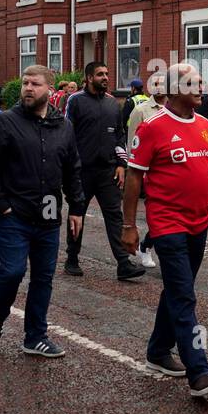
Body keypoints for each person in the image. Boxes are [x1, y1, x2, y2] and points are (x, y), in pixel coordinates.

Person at [122, 63, 208, 397]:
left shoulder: (206, 125)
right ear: (176, 88)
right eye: (194, 83)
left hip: (200, 221)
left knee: (179, 289)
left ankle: (157, 351)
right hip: (166, 223)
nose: (201, 87)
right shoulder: (152, 127)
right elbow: (134, 178)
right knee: (184, 294)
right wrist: (129, 226)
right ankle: (199, 370)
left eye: (201, 82)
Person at [0, 65, 85, 358]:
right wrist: (1, 206)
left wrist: (77, 207)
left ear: (50, 90)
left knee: (43, 278)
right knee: (12, 272)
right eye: (25, 83)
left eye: (34, 84)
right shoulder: (6, 122)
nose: (27, 88)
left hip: (49, 216)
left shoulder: (63, 126)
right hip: (15, 215)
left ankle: (35, 336)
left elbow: (72, 170)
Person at [63, 62, 145, 281]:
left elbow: (119, 135)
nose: (106, 77)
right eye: (100, 74)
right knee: (77, 214)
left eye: (107, 74)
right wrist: (68, 166)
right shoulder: (75, 100)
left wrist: (121, 164)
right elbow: (65, 133)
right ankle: (72, 258)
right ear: (89, 77)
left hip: (107, 170)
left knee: (114, 215)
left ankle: (123, 263)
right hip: (81, 171)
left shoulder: (112, 103)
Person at [124, 74, 168, 268]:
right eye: (155, 84)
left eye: (163, 84)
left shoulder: (174, 109)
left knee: (170, 218)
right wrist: (135, 175)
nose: (159, 88)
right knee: (160, 218)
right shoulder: (140, 110)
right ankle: (154, 250)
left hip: (171, 172)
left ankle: (146, 245)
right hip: (150, 173)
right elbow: (132, 145)